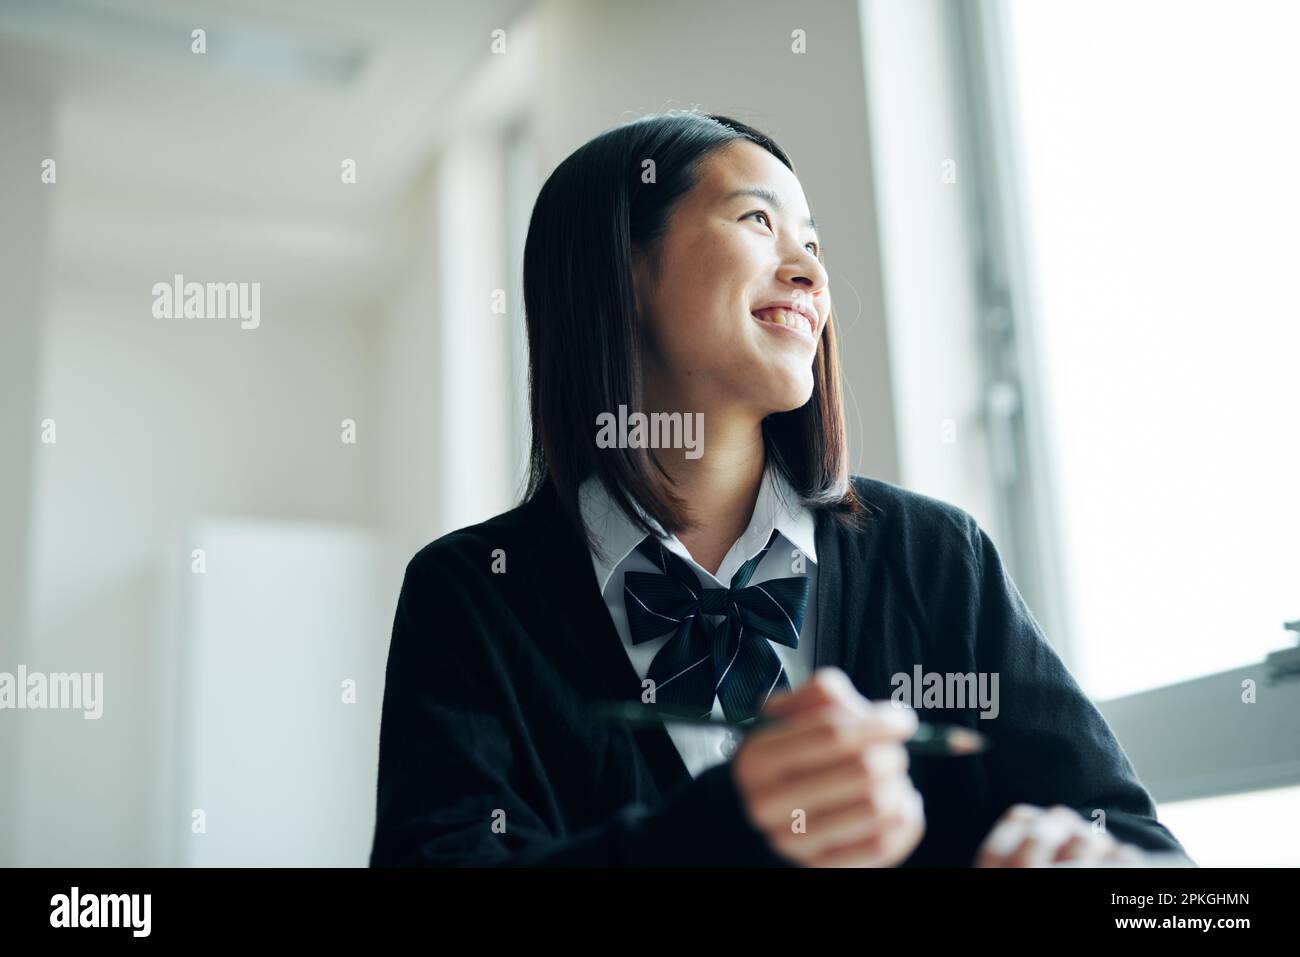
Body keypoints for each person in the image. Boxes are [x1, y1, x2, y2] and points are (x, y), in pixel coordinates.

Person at [368, 110, 1189, 867]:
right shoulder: (472, 596)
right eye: (759, 221)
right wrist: (718, 834)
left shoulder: (937, 557)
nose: (809, 273)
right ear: (622, 266)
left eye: (815, 244)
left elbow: (1167, 875)